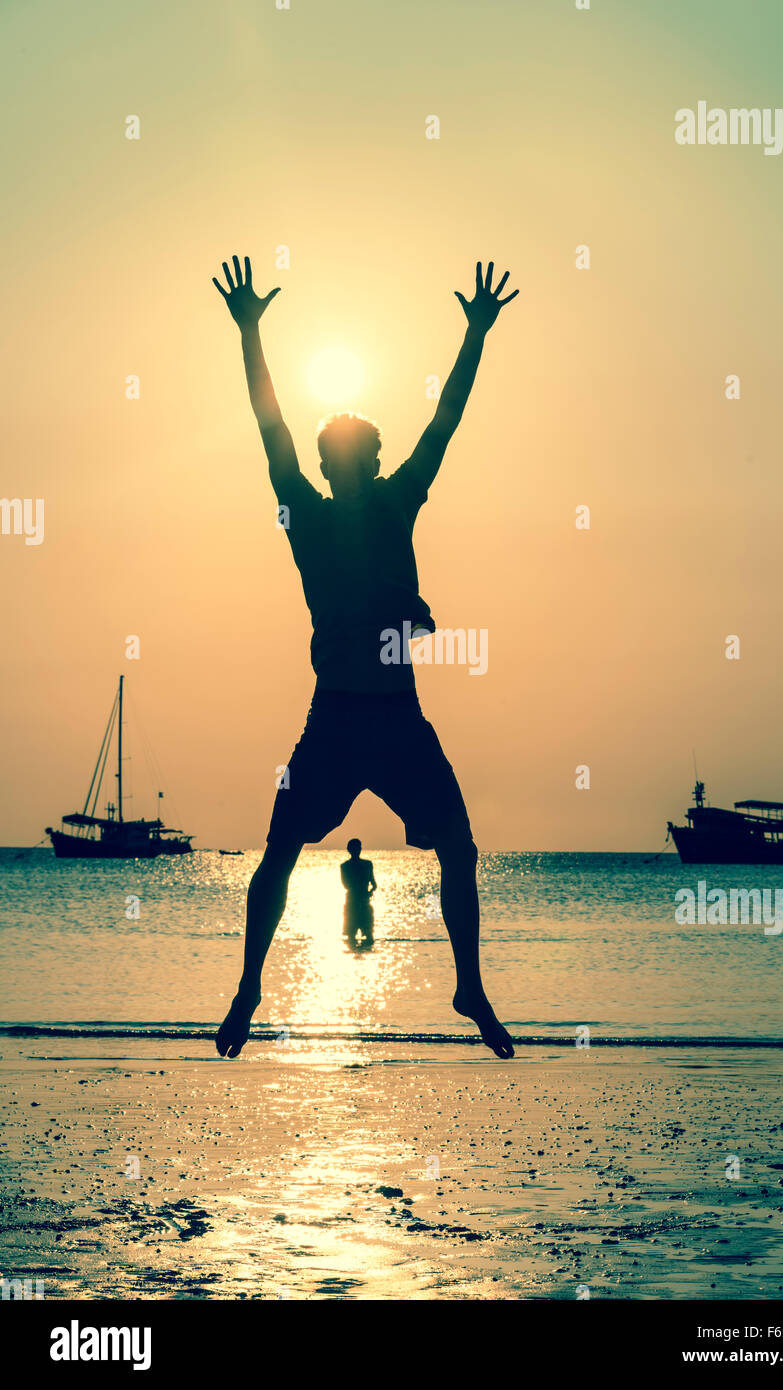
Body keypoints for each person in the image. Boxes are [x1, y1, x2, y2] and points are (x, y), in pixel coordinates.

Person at [212, 254, 518, 1060]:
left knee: (457, 847)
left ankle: (468, 986)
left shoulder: (380, 504)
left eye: (363, 458)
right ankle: (248, 986)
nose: (359, 468)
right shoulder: (315, 516)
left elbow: (444, 420)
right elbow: (269, 423)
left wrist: (474, 336)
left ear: (370, 465)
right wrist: (249, 333)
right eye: (349, 459)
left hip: (392, 720)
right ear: (334, 468)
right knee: (279, 854)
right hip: (339, 723)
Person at [341, 838, 376, 944]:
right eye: (356, 848)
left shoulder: (367, 864)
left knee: (367, 935)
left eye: (358, 848)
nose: (358, 850)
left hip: (361, 901)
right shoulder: (345, 866)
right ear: (350, 850)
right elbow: (345, 884)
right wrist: (367, 891)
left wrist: (369, 891)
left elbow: (374, 884)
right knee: (353, 935)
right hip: (355, 901)